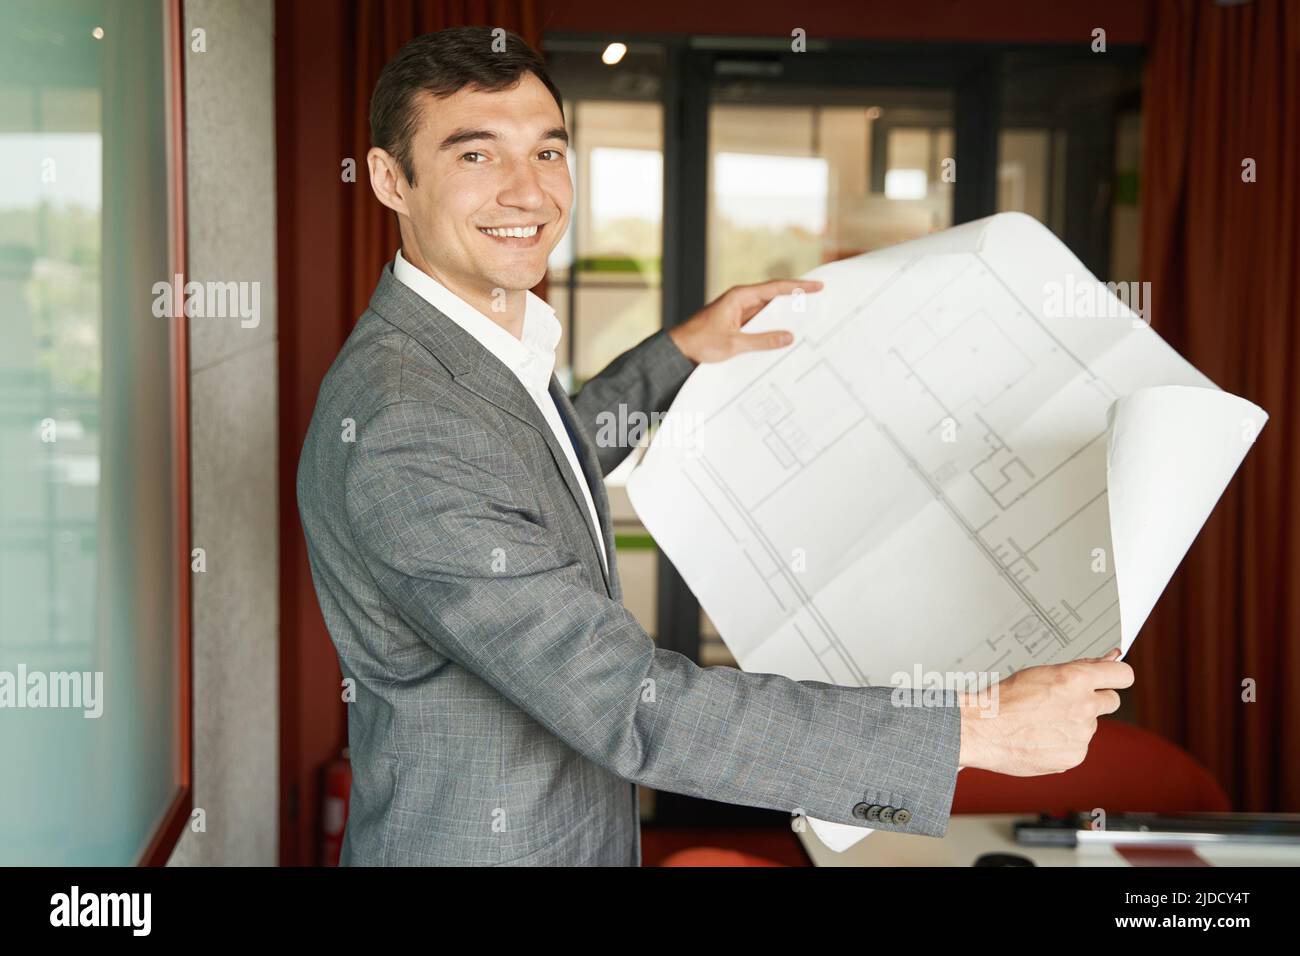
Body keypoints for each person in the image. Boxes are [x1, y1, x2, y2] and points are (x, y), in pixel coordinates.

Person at [296, 26, 1134, 866]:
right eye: (476, 156)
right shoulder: (406, 420)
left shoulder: (470, 351)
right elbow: (631, 704)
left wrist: (678, 354)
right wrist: (973, 728)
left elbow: (535, 473)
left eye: (548, 153)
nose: (529, 193)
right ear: (390, 179)